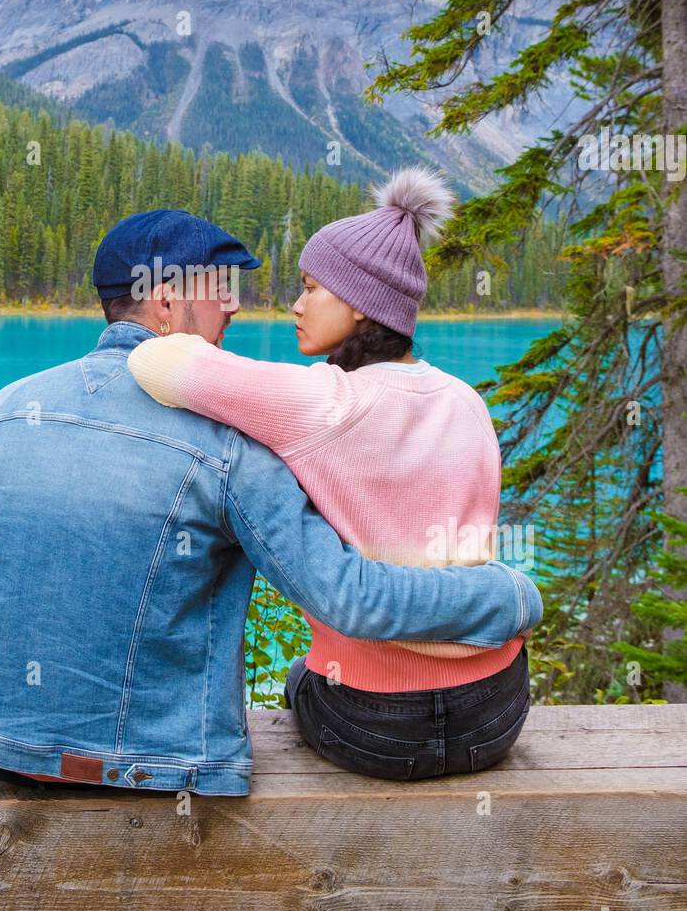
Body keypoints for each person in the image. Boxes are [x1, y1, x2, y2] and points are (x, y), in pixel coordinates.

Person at [0, 205, 541, 796]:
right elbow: (342, 593)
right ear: (165, 301)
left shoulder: (7, 406)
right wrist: (508, 595)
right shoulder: (234, 445)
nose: (235, 307)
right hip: (151, 762)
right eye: (218, 288)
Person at [127, 169, 534, 781]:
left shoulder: (323, 402)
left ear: (360, 303)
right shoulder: (465, 401)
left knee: (300, 677)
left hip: (375, 727)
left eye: (312, 287)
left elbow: (156, 361)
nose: (296, 303)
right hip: (498, 712)